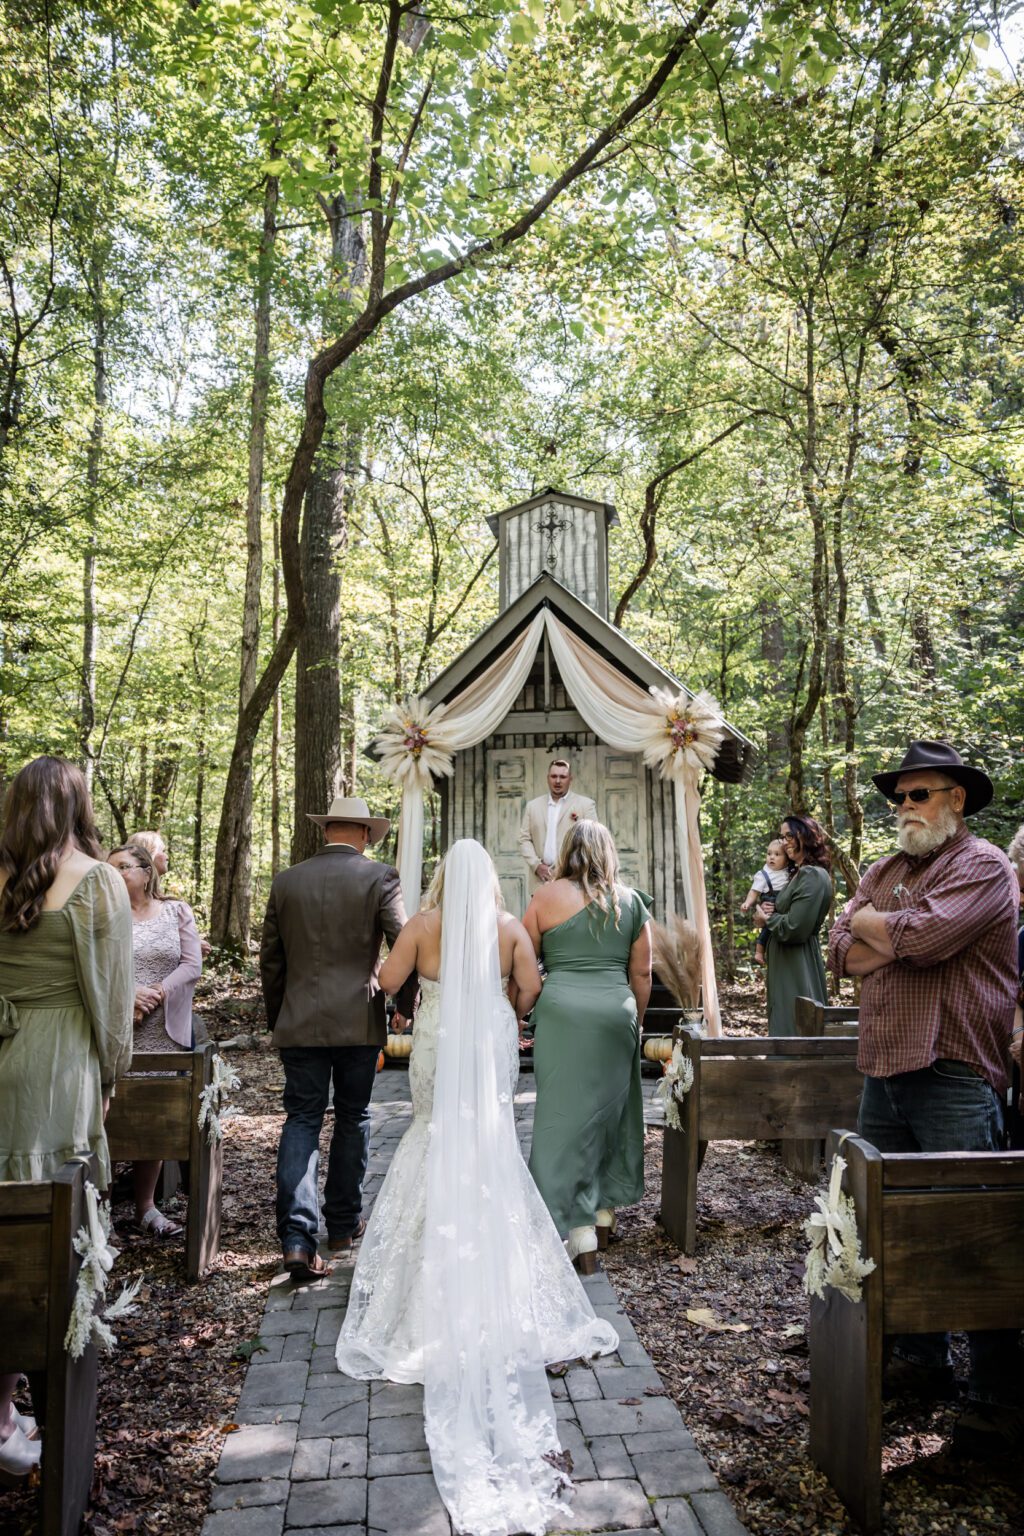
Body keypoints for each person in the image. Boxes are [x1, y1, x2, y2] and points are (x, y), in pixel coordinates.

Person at [335, 839, 617, 1536]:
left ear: (440, 878)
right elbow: (532, 988)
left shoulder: (424, 927)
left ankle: (419, 1289)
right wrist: (505, 1011)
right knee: (489, 1142)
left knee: (432, 1134)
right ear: (487, 878)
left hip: (437, 1037)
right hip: (489, 1035)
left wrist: (407, 996)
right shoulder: (508, 928)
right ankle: (497, 1272)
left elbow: (390, 978)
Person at [828, 739, 1020, 1455]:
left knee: (975, 1237)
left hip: (952, 1071)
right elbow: (840, 951)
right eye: (899, 797)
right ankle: (920, 1361)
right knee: (891, 1228)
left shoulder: (983, 865)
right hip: (882, 1070)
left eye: (920, 794)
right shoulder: (884, 869)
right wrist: (883, 934)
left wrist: (884, 931)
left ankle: (996, 1400)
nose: (905, 808)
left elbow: (929, 937)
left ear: (956, 799)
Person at [0, 757, 133, 1482]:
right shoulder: (96, 880)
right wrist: (112, 1074)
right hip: (57, 1065)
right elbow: (110, 999)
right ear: (75, 804)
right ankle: (26, 1417)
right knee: (53, 1238)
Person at [260, 795, 417, 1282]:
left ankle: (296, 1240)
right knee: (353, 1117)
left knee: (302, 1118)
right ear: (366, 834)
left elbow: (271, 960)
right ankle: (344, 1226)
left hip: (299, 1021)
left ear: (326, 829)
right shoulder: (380, 878)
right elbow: (404, 943)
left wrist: (279, 1017)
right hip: (356, 1020)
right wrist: (403, 1008)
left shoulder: (287, 882)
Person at [524, 819, 652, 1269]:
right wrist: (632, 1020)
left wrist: (522, 1009)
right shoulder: (631, 902)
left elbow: (523, 961)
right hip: (615, 1013)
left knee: (561, 1116)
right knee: (608, 1114)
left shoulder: (544, 897)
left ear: (567, 851)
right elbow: (642, 974)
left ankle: (571, 1227)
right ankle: (600, 1213)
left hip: (561, 1014)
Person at [107, 842, 202, 1237]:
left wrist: (158, 991)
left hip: (163, 1029)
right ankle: (101, 1208)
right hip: (116, 1027)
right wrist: (128, 993)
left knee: (156, 1117)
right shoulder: (103, 916)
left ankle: (146, 1208)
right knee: (110, 1115)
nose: (115, 874)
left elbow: (191, 963)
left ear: (147, 873)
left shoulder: (177, 911)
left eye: (124, 867)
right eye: (109, 868)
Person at [753, 813, 832, 1035]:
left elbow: (795, 928)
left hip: (797, 962)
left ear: (805, 836)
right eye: (782, 836)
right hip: (784, 959)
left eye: (789, 836)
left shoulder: (812, 875)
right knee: (783, 1019)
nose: (784, 842)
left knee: (795, 1023)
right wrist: (769, 911)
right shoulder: (796, 874)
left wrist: (766, 919)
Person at [128, 829, 212, 959]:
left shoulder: (170, 905)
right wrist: (186, 945)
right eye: (163, 851)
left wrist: (188, 943)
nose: (167, 856)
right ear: (148, 854)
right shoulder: (127, 897)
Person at [518, 758, 597, 893]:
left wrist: (573, 867)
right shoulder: (533, 806)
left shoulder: (586, 805)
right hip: (541, 881)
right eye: (554, 776)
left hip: (574, 881)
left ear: (570, 779)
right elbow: (523, 839)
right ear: (548, 778)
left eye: (563, 777)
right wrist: (536, 865)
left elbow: (594, 840)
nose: (558, 781)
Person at [741, 837, 792, 965]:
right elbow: (754, 891)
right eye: (769, 854)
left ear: (787, 859)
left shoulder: (789, 872)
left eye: (777, 854)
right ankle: (759, 951)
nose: (771, 857)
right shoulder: (763, 874)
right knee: (768, 928)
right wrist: (747, 903)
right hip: (770, 903)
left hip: (784, 909)